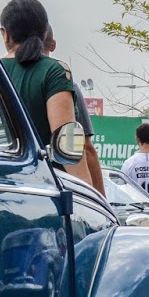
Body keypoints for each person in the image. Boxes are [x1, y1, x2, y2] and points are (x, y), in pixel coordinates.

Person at [0, 0, 97, 190]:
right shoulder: (53, 72)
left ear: (5, 34)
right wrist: (89, 193)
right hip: (48, 190)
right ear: (45, 32)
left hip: (0, 186)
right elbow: (67, 144)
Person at [43, 26, 104, 195]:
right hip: (62, 189)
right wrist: (101, 200)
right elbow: (85, 148)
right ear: (53, 45)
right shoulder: (64, 85)